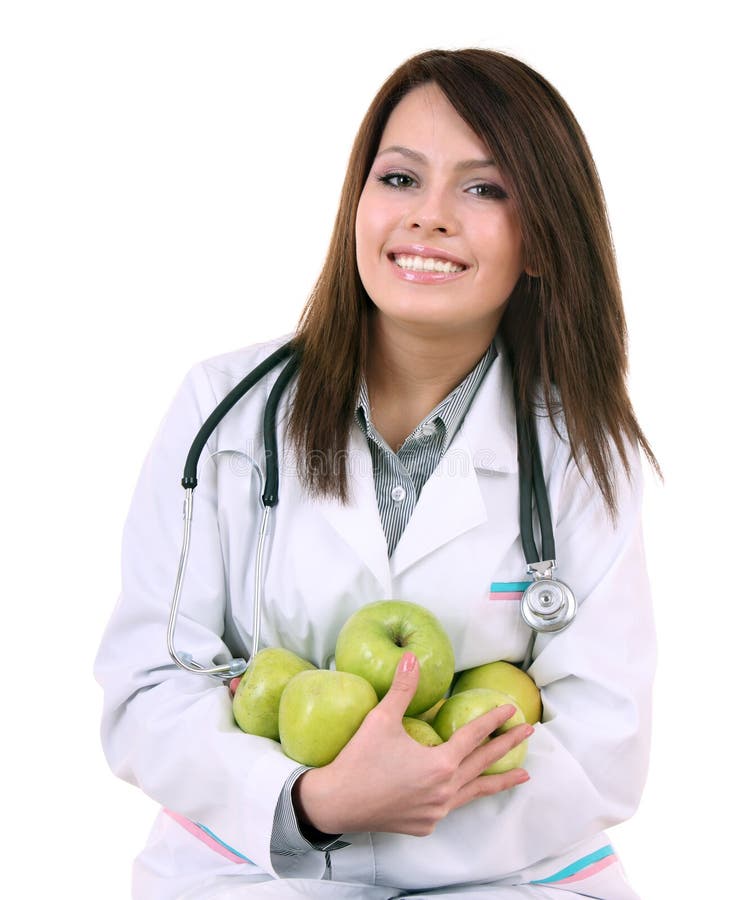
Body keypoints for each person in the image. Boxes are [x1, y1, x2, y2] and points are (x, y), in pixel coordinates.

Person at [94, 48, 658, 899]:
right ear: (356, 203)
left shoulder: (578, 447)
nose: (428, 217)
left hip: (506, 877)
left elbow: (602, 747)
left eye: (483, 188)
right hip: (254, 871)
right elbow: (146, 689)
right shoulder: (226, 412)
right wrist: (314, 805)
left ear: (541, 237)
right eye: (399, 179)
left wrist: (400, 807)